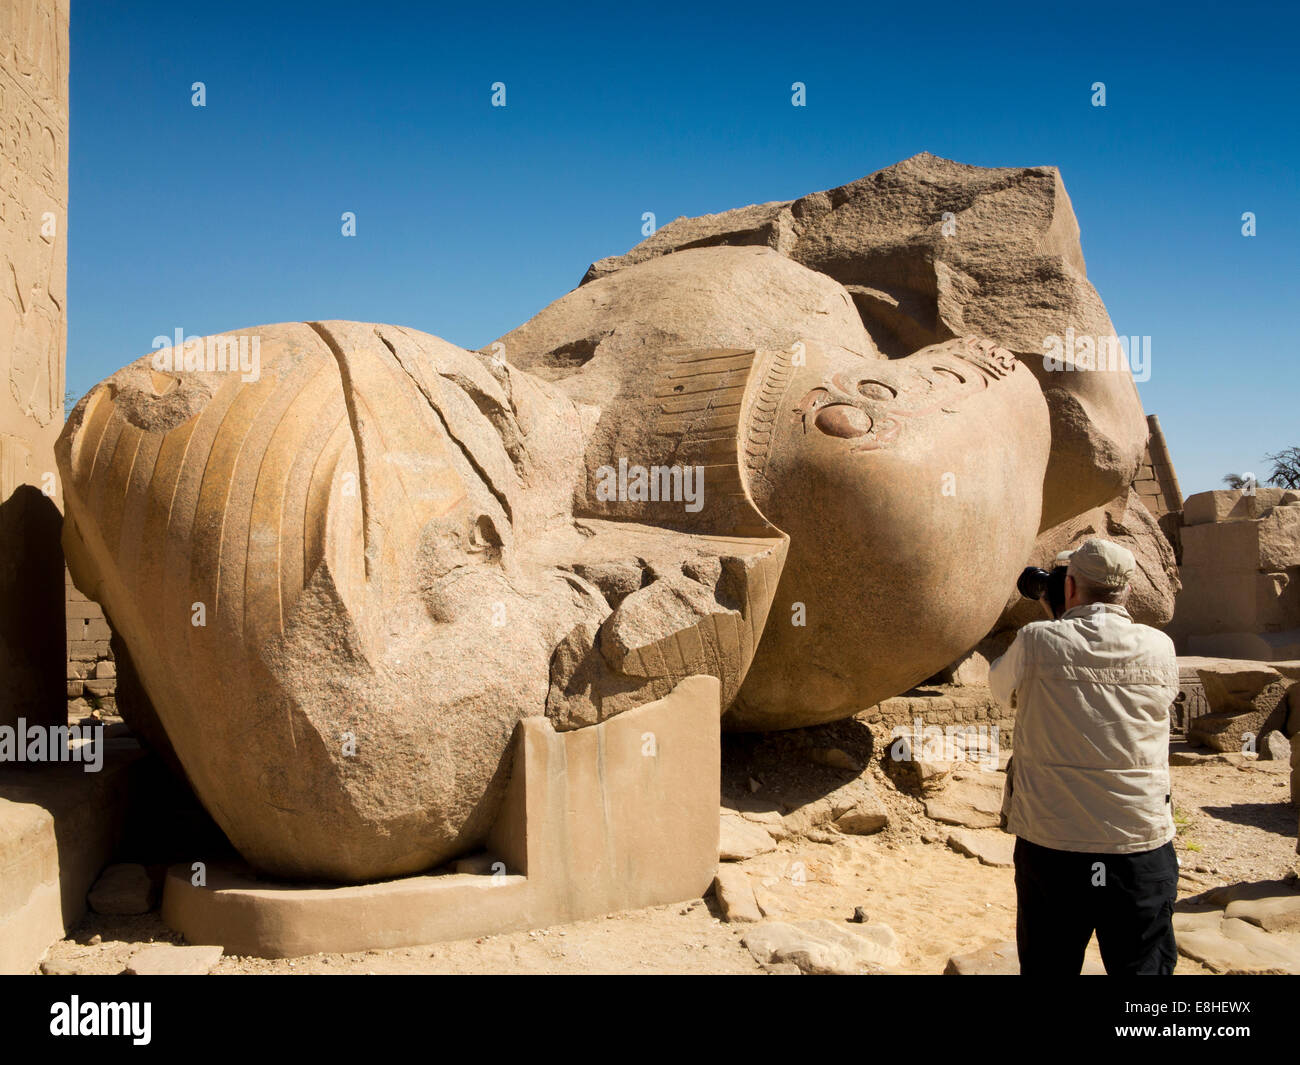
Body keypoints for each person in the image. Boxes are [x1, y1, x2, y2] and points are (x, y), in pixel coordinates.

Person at [990, 538, 1181, 975]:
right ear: (1127, 591)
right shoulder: (1160, 647)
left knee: (1049, 966)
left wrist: (1056, 621)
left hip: (1053, 846)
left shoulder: (1036, 640)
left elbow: (1000, 690)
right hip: (1138, 843)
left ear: (1069, 586)